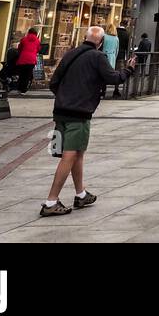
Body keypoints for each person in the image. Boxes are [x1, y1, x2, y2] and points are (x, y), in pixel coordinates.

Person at [41, 25, 135, 217]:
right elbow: (114, 78)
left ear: (85, 38)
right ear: (100, 43)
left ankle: (81, 194)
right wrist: (129, 69)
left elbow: (54, 82)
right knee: (70, 155)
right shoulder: (98, 57)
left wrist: (64, 98)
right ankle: (50, 201)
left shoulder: (70, 54)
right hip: (79, 114)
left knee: (78, 153)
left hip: (60, 112)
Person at [14, 27, 40, 93]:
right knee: (27, 76)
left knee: (22, 74)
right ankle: (23, 90)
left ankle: (19, 88)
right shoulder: (37, 41)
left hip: (23, 59)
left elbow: (20, 48)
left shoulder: (24, 39)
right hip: (32, 60)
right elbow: (38, 49)